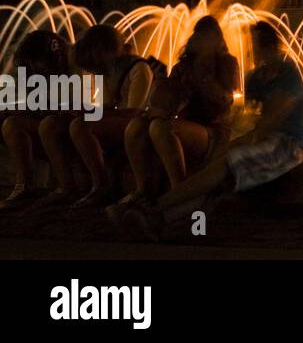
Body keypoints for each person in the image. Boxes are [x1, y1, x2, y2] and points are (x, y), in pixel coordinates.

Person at [118, 21, 303, 239]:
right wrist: (164, 81)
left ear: (271, 46)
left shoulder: (288, 73)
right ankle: (160, 217)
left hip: (286, 143)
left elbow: (270, 119)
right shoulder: (255, 78)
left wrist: (238, 140)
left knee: (225, 166)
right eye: (251, 45)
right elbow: (245, 117)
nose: (251, 51)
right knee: (217, 173)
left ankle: (156, 208)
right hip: (254, 138)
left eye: (256, 45)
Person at [118, 16, 240, 208]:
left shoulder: (227, 63)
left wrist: (203, 77)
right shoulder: (183, 66)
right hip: (185, 125)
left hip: (214, 132)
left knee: (161, 128)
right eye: (199, 35)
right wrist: (161, 79)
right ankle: (143, 188)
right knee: (137, 125)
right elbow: (165, 105)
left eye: (209, 37)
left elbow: (225, 101)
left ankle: (180, 191)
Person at [57, 24, 155, 208]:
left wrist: (95, 113)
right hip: (123, 121)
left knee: (80, 126)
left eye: (94, 58)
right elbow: (110, 105)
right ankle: (75, 185)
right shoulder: (109, 71)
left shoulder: (139, 68)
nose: (93, 68)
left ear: (103, 50)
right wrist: (83, 109)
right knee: (65, 123)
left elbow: (135, 110)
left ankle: (101, 186)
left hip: (139, 126)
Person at [0, 30, 75, 210]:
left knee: (16, 122)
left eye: (35, 64)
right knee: (7, 120)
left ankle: (63, 188)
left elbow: (76, 109)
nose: (32, 69)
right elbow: (43, 106)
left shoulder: (77, 65)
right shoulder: (42, 72)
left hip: (77, 127)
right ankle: (25, 186)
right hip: (55, 122)